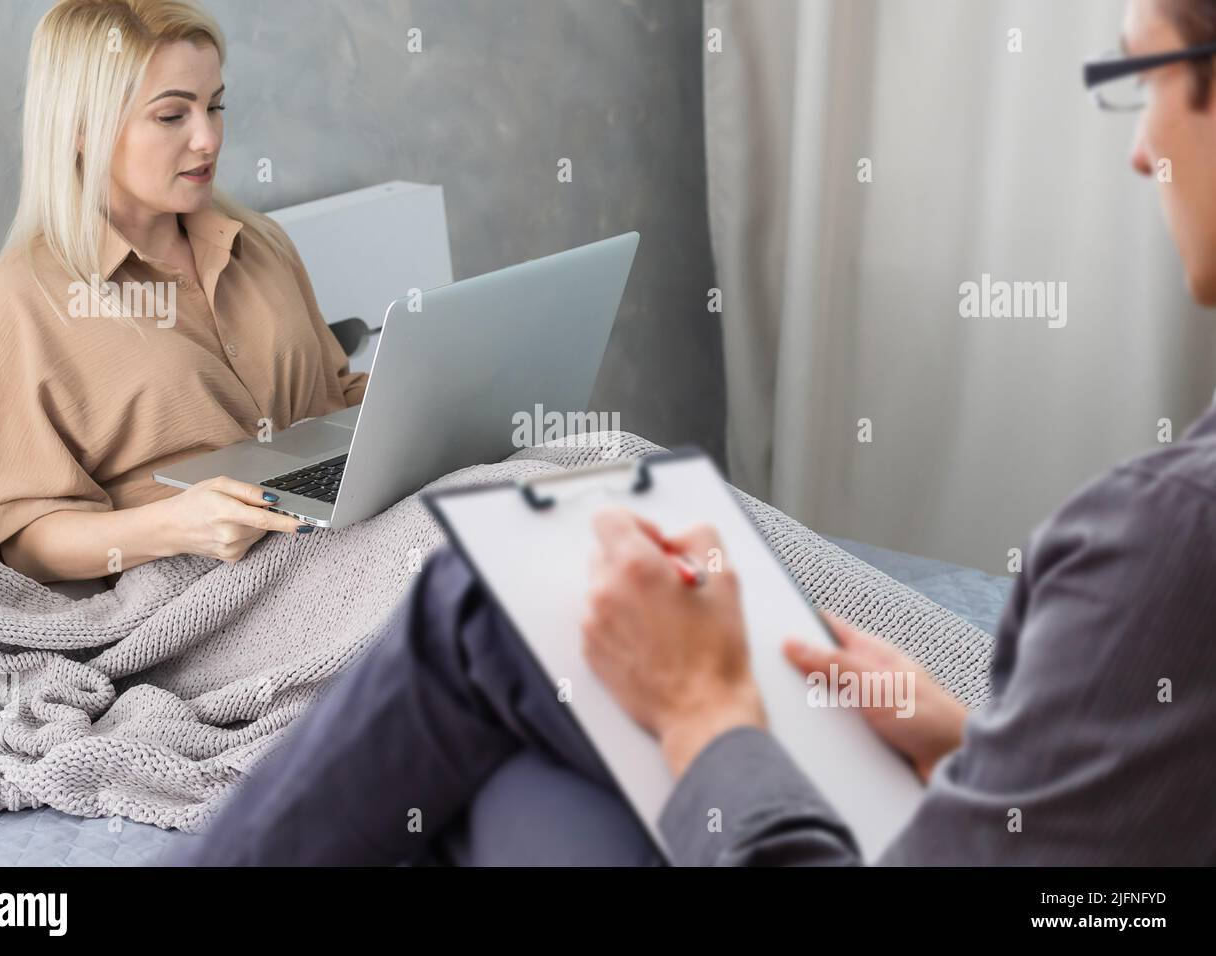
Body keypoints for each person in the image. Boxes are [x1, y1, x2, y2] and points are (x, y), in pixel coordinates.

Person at [181, 0, 1216, 866]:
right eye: (168, 114)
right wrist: (972, 742)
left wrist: (704, 707)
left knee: (485, 600)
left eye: (1144, 79)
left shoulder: (1169, 534)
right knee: (520, 792)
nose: (1136, 149)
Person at [0, 0, 366, 584]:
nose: (208, 139)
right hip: (190, 587)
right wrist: (177, 525)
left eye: (215, 106)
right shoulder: (19, 302)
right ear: (81, 129)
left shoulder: (262, 245)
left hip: (344, 534)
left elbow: (337, 396)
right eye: (172, 116)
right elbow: (9, 542)